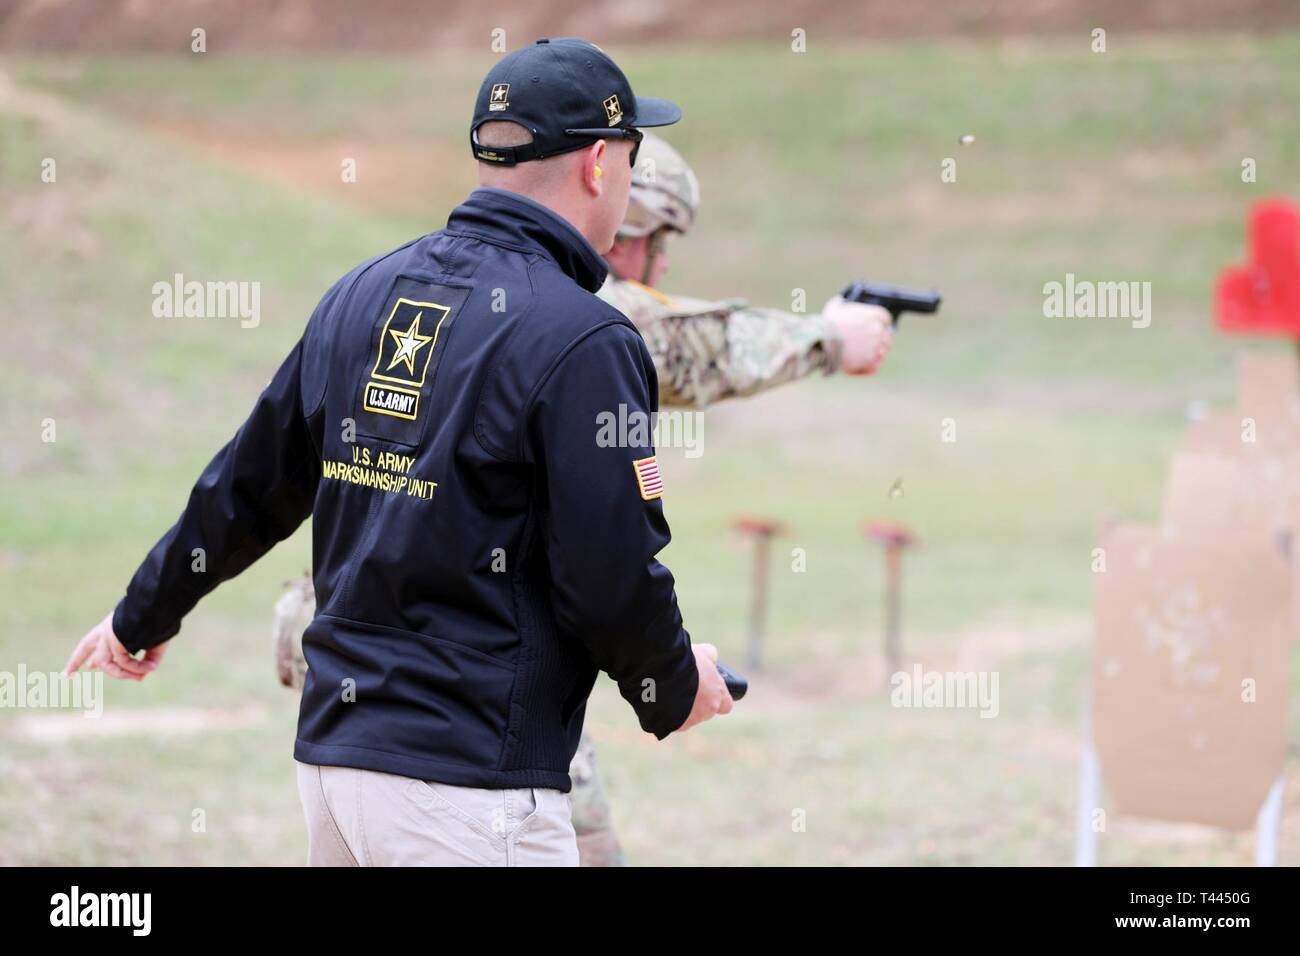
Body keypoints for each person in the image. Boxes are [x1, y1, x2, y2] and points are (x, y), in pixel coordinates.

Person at [65, 36, 734, 867]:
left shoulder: (361, 294)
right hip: (468, 794)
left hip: (335, 771)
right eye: (630, 160)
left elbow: (247, 485)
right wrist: (675, 686)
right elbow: (610, 572)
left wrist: (142, 614)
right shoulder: (586, 338)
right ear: (600, 163)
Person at [272, 132, 894, 866]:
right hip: (461, 698)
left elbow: (255, 477)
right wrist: (828, 338)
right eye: (657, 240)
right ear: (624, 222)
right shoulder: (570, 310)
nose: (660, 265)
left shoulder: (433, 283)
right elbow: (699, 350)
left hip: (359, 668)